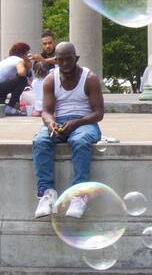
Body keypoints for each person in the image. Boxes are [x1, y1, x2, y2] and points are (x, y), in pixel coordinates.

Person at [32, 42, 106, 218]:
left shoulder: (90, 78)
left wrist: (76, 123)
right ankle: (47, 193)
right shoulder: (51, 79)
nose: (65, 64)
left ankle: (79, 194)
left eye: (68, 59)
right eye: (60, 60)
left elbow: (98, 113)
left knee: (79, 141)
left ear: (76, 58)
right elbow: (47, 112)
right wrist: (51, 124)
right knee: (40, 140)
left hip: (85, 122)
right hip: (60, 122)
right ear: (55, 61)